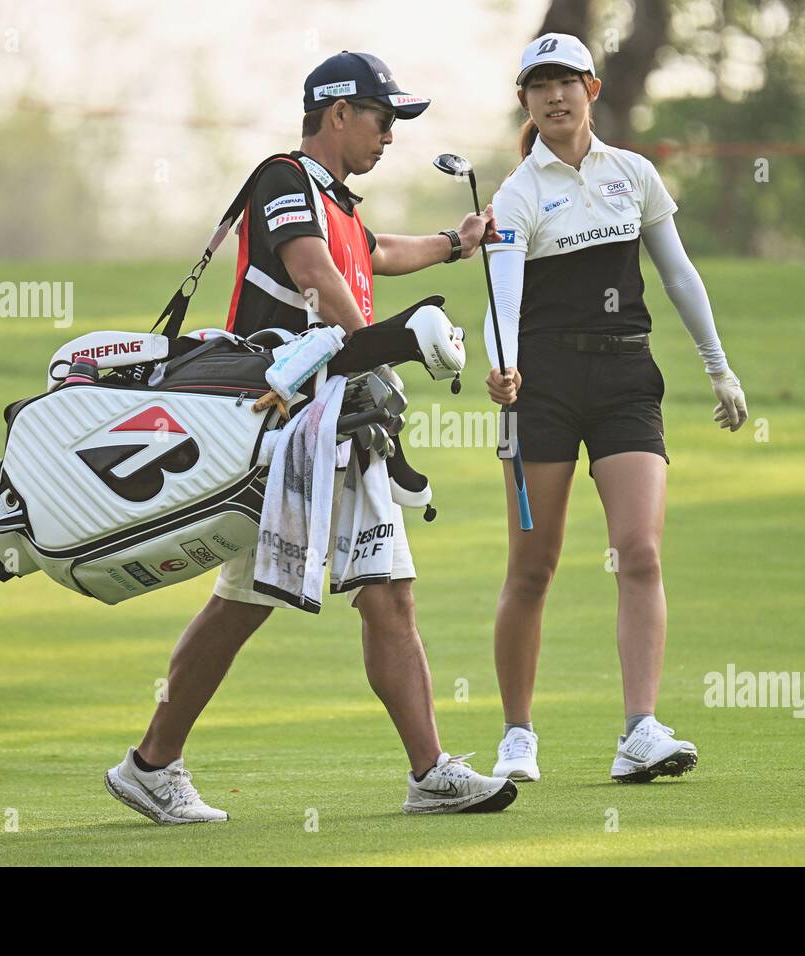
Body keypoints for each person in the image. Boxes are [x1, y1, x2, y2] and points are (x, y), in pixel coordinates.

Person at [105, 51, 516, 821]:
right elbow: (315, 272)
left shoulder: (338, 201)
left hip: (327, 424)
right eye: (382, 119)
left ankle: (153, 765)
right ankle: (158, 764)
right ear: (338, 112)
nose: (390, 135)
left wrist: (458, 242)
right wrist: (377, 352)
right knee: (300, 599)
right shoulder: (283, 179)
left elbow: (373, 255)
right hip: (287, 426)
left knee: (325, 597)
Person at [481, 34, 748, 784]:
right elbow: (502, 293)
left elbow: (679, 273)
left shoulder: (633, 174)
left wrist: (718, 367)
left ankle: (639, 732)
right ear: (526, 101)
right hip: (544, 384)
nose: (554, 95)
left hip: (629, 375)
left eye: (566, 80)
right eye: (539, 85)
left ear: (592, 89)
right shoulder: (517, 194)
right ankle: (517, 736)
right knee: (533, 569)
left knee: (642, 551)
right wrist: (502, 367)